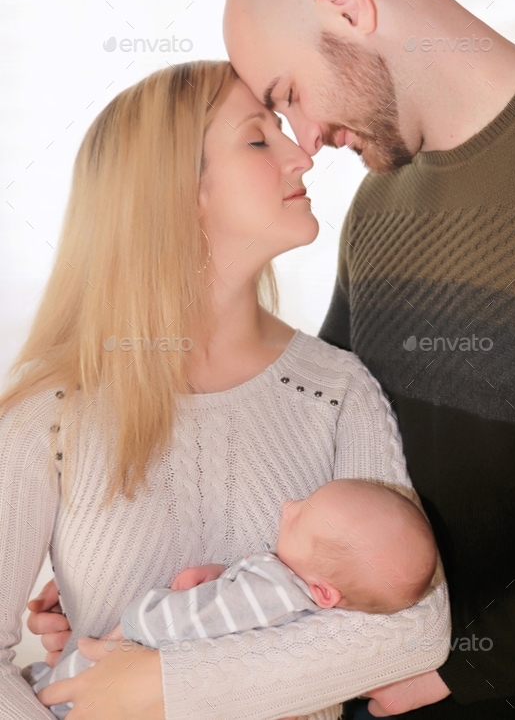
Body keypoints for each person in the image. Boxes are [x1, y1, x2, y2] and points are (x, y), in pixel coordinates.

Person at [218, 0, 515, 719]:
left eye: (291, 96)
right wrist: (155, 596)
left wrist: (456, 672)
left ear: (348, 6)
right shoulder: (376, 210)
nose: (305, 140)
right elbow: (310, 451)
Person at [1, 59, 450, 720]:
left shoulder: (337, 391)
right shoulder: (51, 414)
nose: (303, 157)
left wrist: (167, 686)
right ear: (176, 191)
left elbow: (409, 632)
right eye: (259, 138)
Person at [26, 479, 439, 720]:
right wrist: (219, 581)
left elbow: (179, 626)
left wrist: (141, 615)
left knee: (46, 692)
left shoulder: (274, 586)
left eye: (302, 517)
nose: (288, 507)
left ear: (325, 592)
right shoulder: (294, 598)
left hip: (102, 683)